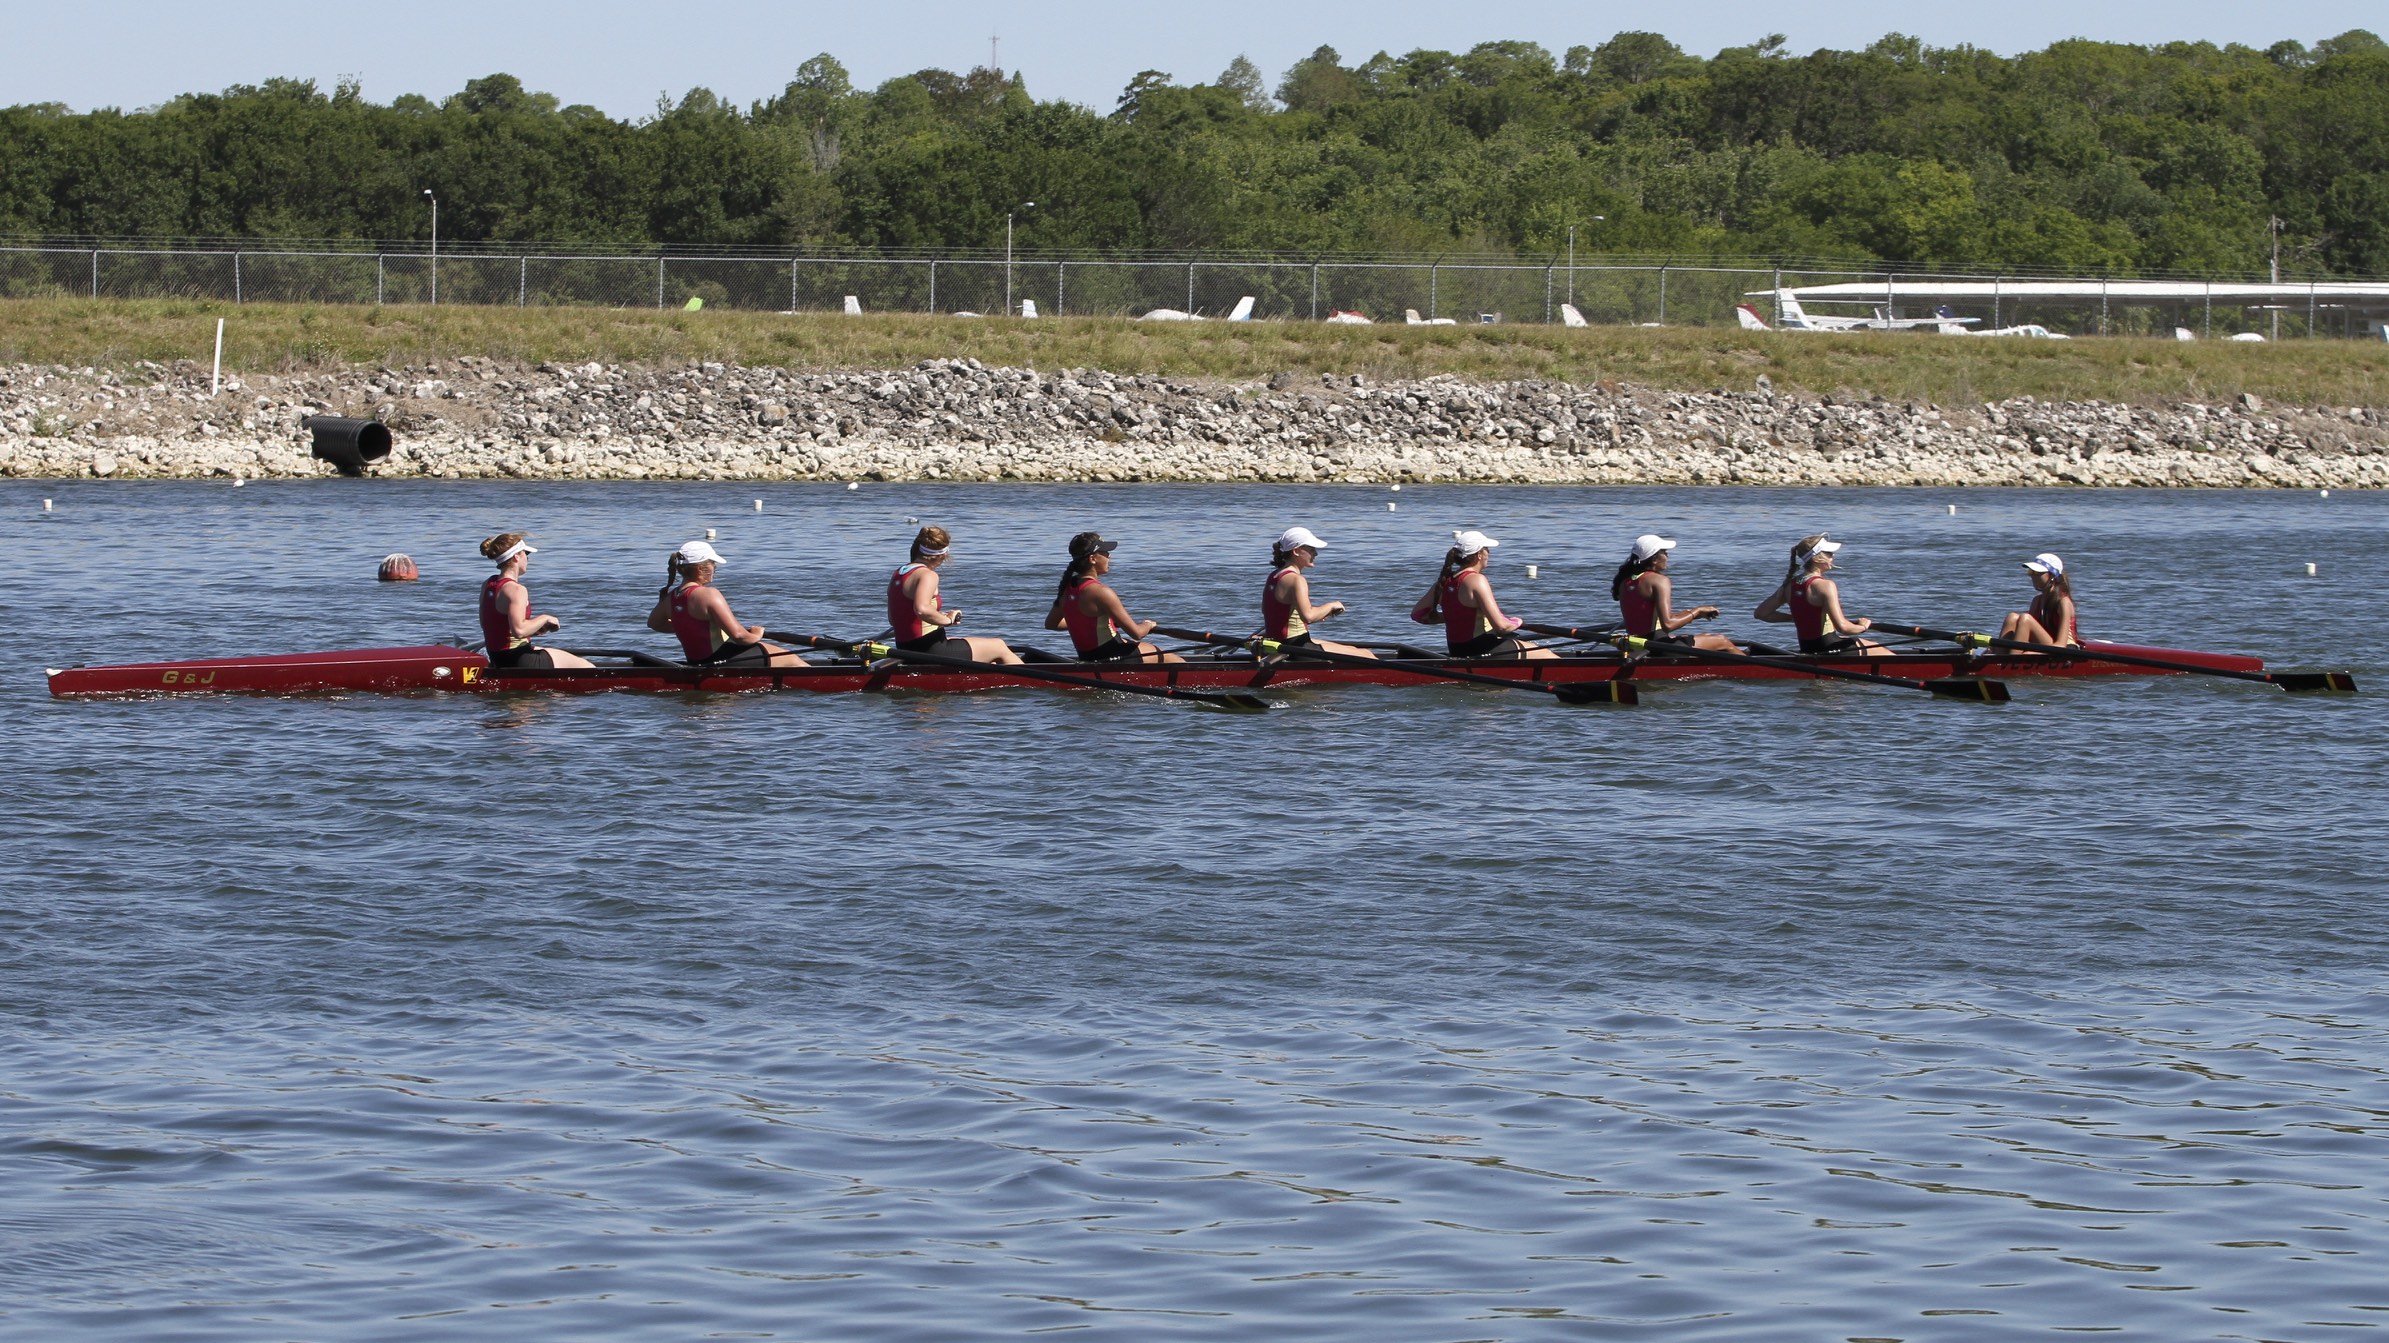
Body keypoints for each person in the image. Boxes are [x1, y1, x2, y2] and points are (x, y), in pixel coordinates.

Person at [646, 541, 804, 667]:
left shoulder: (671, 597)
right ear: (702, 569)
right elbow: (741, 636)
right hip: (723, 659)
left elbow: (654, 624)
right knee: (791, 659)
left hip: (696, 662)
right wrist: (757, 634)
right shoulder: (709, 594)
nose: (715, 568)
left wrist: (690, 626)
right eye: (713, 564)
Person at [1410, 530, 1556, 660]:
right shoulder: (1477, 580)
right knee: (1550, 657)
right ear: (1479, 555)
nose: (1489, 553)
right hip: (1484, 648)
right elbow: (1502, 627)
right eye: (1486, 549)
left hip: (1457, 650)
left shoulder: (1444, 581)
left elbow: (1419, 615)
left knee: (1527, 647)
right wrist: (1517, 622)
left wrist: (1456, 616)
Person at [887, 525, 1022, 664]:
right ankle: (1035, 681)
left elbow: (893, 619)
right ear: (943, 555)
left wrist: (940, 616)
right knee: (998, 646)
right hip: (928, 650)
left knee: (967, 644)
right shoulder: (928, 575)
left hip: (905, 647)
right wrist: (948, 620)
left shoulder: (898, 574)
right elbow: (922, 609)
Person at [1043, 531, 1182, 663]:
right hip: (1114, 657)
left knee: (1136, 644)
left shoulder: (1068, 588)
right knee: (1175, 660)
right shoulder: (1101, 592)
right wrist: (1148, 625)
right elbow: (1137, 633)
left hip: (1088, 657)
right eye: (1105, 552)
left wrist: (1089, 623)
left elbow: (1051, 624)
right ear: (1092, 559)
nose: (1109, 556)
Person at [1753, 534, 1888, 656]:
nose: (1832, 556)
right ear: (1817, 558)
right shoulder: (1826, 586)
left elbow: (1761, 614)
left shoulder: (1789, 585)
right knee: (1886, 654)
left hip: (1808, 649)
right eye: (1829, 553)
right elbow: (1844, 628)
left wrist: (1797, 618)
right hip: (1830, 649)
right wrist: (1864, 626)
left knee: (1864, 643)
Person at [476, 532, 593, 669]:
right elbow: (518, 631)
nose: (528, 559)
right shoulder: (516, 590)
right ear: (516, 557)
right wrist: (544, 618)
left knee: (548, 652)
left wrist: (535, 629)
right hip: (519, 660)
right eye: (526, 554)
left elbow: (490, 626)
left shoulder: (487, 585)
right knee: (586, 666)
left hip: (497, 658)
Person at [1612, 533, 1742, 653]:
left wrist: (1695, 615)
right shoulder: (1659, 581)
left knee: (1706, 637)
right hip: (1658, 646)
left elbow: (1649, 618)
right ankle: (1755, 669)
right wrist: (1697, 610)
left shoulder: (1626, 581)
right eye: (1664, 552)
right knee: (1722, 640)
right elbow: (1668, 624)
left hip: (1636, 645)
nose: (1668, 556)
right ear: (1654, 559)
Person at [1262, 527, 1375, 658]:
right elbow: (1308, 616)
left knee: (1352, 649)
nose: (1316, 554)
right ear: (1296, 551)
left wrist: (1320, 613)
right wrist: (1331, 606)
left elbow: (1270, 611)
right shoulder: (1297, 580)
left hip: (1280, 644)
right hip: (1297, 648)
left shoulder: (1274, 576)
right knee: (1366, 654)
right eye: (1311, 549)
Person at [1998, 552, 2082, 649]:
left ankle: (2012, 660)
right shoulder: (2036, 601)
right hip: (2046, 645)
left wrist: (2031, 653)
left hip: (2064, 650)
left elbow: (2061, 645)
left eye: (2037, 572)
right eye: (2031, 572)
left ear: (2052, 576)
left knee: (2026, 619)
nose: (2032, 576)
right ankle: (1997, 655)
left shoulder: (2064, 602)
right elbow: (2027, 635)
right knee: (2011, 618)